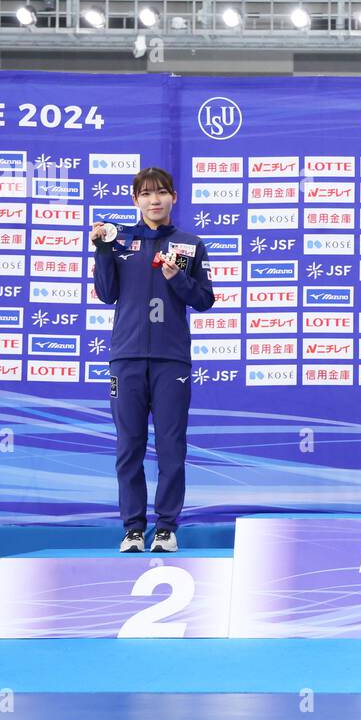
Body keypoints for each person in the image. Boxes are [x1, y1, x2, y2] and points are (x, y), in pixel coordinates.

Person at [91, 167, 215, 553]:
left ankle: (165, 528)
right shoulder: (120, 239)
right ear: (135, 201)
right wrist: (101, 249)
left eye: (161, 192)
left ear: (174, 197)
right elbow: (106, 293)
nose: (154, 200)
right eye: (146, 194)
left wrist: (177, 277)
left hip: (170, 361)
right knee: (128, 447)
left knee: (171, 446)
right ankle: (132, 528)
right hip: (125, 359)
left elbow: (205, 300)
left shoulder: (189, 244)